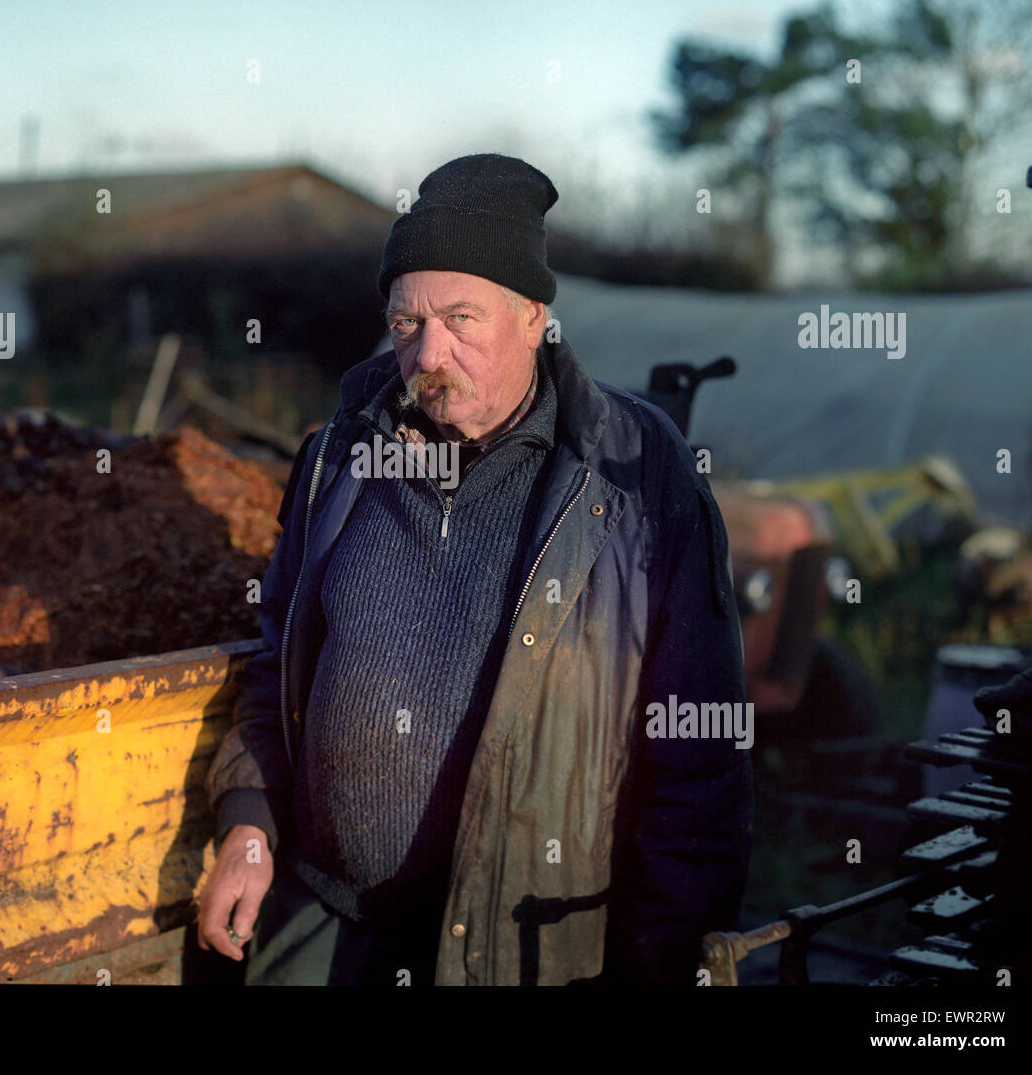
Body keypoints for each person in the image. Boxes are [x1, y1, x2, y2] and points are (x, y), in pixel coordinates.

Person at [197, 152, 753, 986]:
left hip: (527, 949)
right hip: (326, 919)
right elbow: (280, 660)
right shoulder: (336, 457)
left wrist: (665, 959)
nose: (427, 354)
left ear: (533, 317)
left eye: (462, 319)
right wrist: (247, 826)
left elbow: (697, 755)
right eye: (405, 322)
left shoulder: (636, 476)